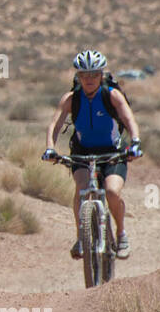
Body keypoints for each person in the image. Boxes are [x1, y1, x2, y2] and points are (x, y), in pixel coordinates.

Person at [42, 50, 142, 261]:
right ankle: (82, 237)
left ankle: (121, 233)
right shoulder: (71, 99)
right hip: (82, 151)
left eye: (94, 74)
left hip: (113, 151)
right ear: (77, 76)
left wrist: (135, 143)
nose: (88, 79)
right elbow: (55, 124)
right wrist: (50, 147)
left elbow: (129, 119)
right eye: (84, 75)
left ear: (102, 75)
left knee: (112, 192)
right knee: (82, 189)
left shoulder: (112, 95)